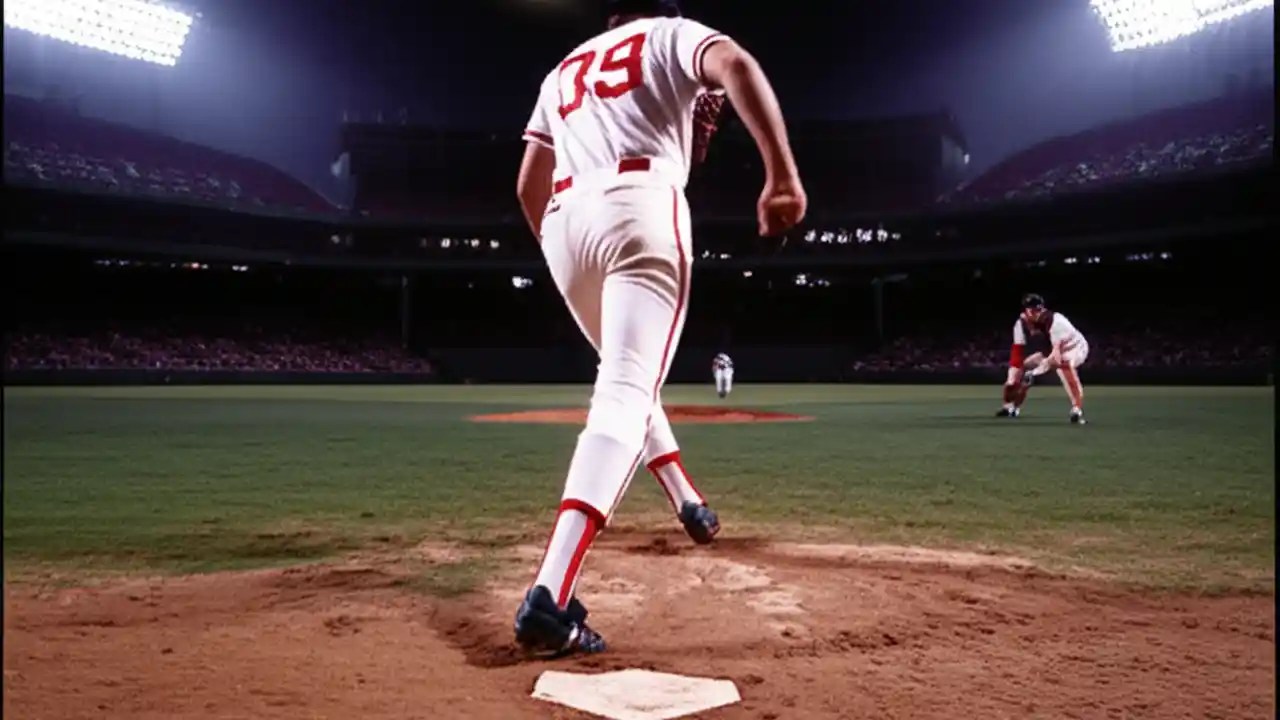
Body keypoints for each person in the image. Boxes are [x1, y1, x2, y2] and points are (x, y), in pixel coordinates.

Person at [511, 0, 806, 657]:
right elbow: (735, 63)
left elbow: (529, 181)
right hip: (640, 200)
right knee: (623, 389)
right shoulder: (671, 34)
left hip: (563, 222)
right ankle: (549, 599)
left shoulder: (562, 69)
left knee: (627, 381)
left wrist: (567, 249)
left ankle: (687, 501)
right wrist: (782, 178)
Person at [996, 293, 1090, 424]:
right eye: (1032, 311)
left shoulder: (1055, 323)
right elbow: (1018, 350)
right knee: (1023, 369)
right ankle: (1012, 407)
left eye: (1037, 310)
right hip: (1050, 352)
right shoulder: (1022, 323)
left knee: (1064, 366)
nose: (1035, 314)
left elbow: (1055, 359)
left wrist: (1035, 373)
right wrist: (1014, 376)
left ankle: (1076, 408)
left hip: (1074, 349)